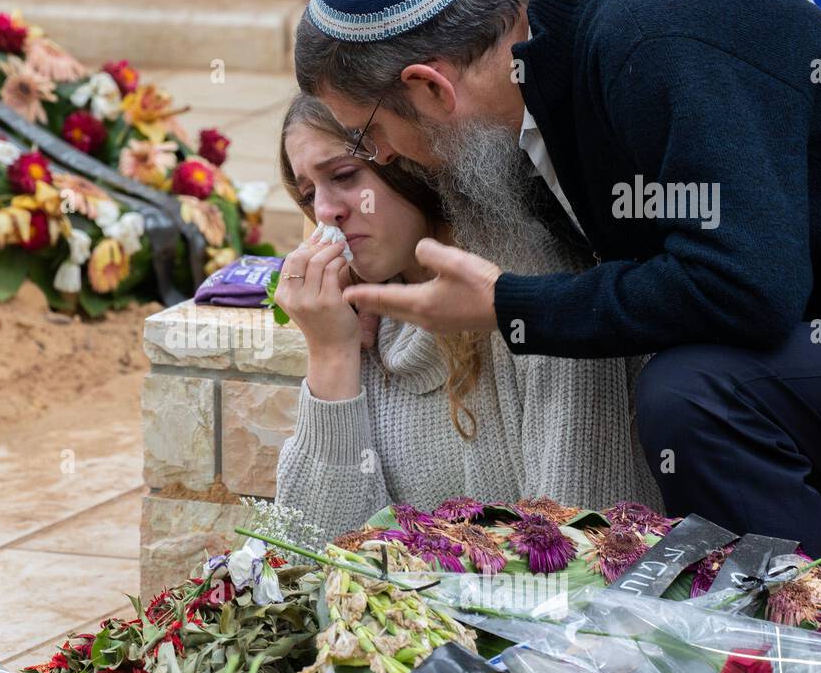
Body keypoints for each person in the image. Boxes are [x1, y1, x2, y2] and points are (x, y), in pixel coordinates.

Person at [292, 0, 821, 560]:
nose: (386, 156)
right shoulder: (539, 92)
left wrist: (509, 305)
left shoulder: (651, 40)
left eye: (369, 135)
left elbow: (746, 287)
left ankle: (790, 644)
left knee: (696, 392)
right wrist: (374, 278)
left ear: (431, 86)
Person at [273, 92, 660, 540]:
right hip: (408, 609)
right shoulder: (355, 320)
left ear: (405, 158)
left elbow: (581, 549)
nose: (325, 211)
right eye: (308, 194)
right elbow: (308, 554)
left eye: (343, 174)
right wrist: (332, 355)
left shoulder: (533, 293)